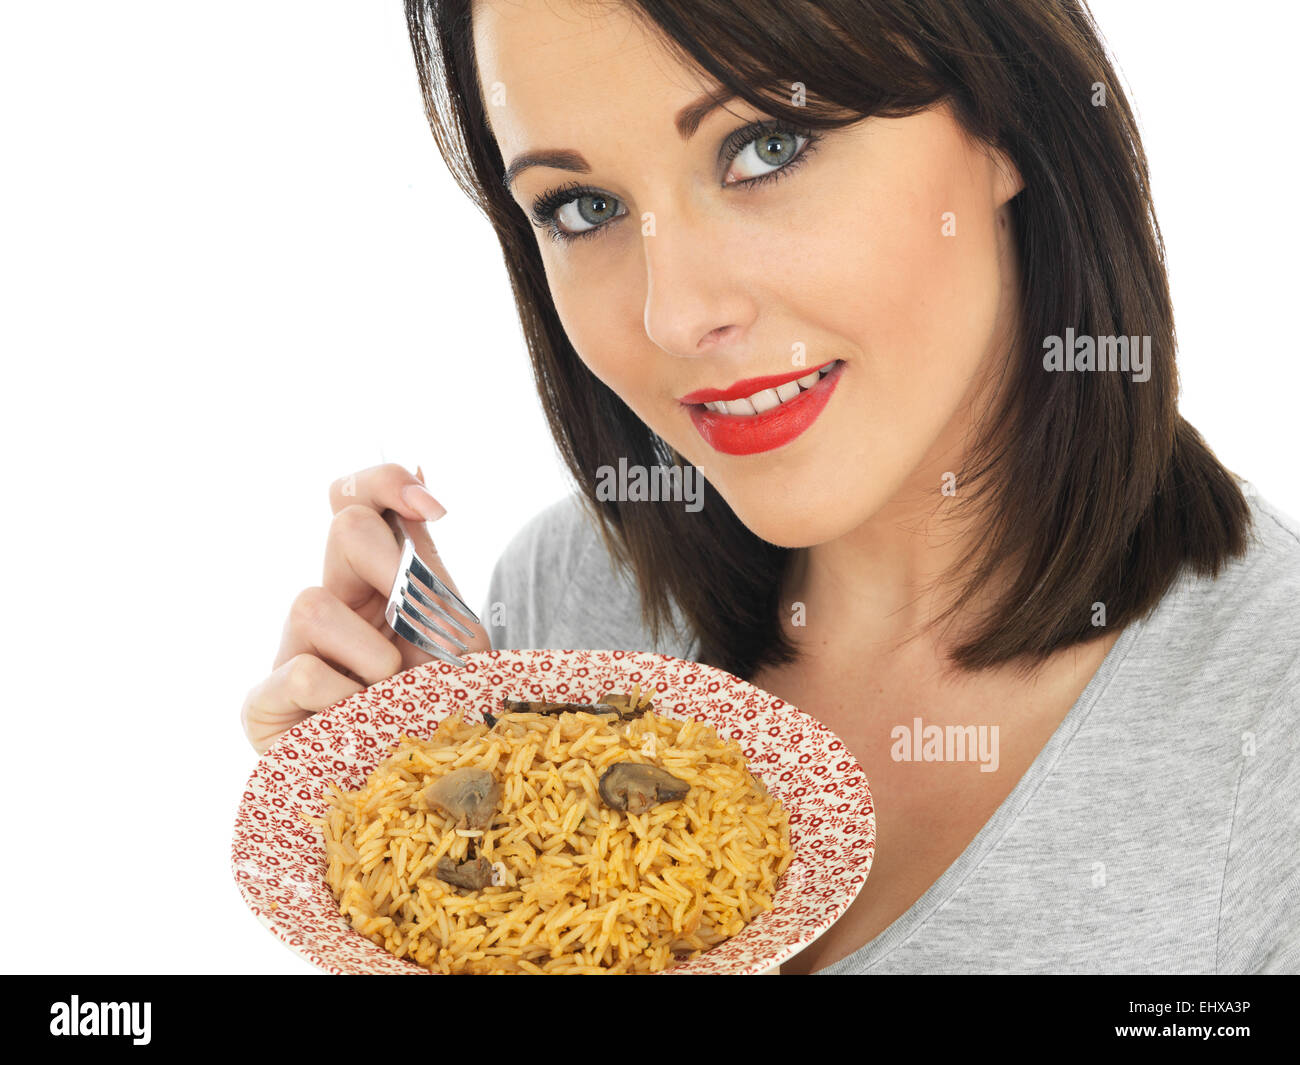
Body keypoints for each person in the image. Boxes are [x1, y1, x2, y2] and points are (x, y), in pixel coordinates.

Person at [241, 0, 1299, 974]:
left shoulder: (1271, 732)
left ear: (1004, 121)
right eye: (581, 206)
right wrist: (397, 862)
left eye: (765, 145)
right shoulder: (565, 607)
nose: (674, 314)